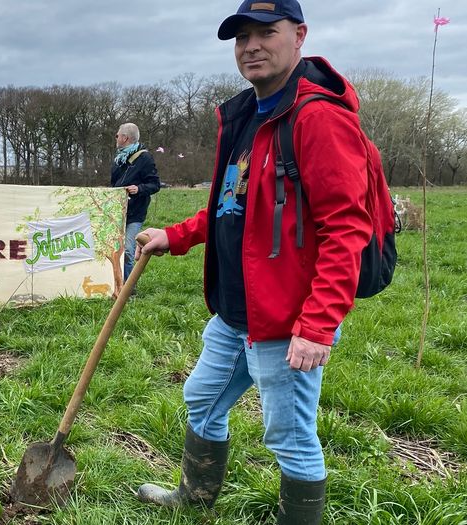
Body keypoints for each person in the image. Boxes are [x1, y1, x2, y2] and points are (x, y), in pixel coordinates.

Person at [134, 1, 375, 523]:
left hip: (289, 317)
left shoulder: (319, 120)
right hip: (237, 308)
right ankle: (194, 497)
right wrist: (173, 236)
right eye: (242, 37)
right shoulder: (246, 115)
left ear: (300, 35)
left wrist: (317, 324)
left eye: (267, 32)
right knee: (202, 397)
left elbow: (346, 228)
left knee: (288, 434)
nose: (252, 46)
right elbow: (233, 208)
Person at [110, 122, 160, 285]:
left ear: (125, 138)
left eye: (117, 135)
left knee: (128, 250)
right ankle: (115, 284)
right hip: (117, 211)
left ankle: (129, 289)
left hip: (135, 213)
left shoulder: (144, 158)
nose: (116, 138)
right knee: (113, 250)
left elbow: (155, 184)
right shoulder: (118, 159)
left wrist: (138, 189)